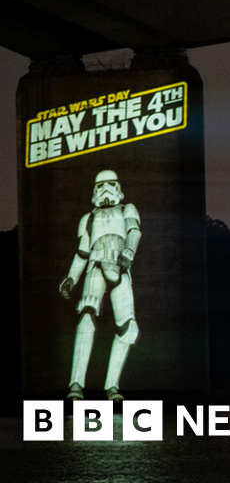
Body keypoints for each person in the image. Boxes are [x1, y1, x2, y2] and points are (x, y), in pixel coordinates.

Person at [59, 170, 141, 401]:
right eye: (100, 185)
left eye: (110, 184)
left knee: (129, 327)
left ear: (117, 186)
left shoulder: (127, 209)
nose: (105, 189)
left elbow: (134, 231)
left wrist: (129, 251)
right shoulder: (89, 218)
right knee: (86, 318)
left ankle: (112, 386)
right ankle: (76, 384)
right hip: (95, 264)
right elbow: (82, 252)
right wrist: (72, 277)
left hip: (119, 265)